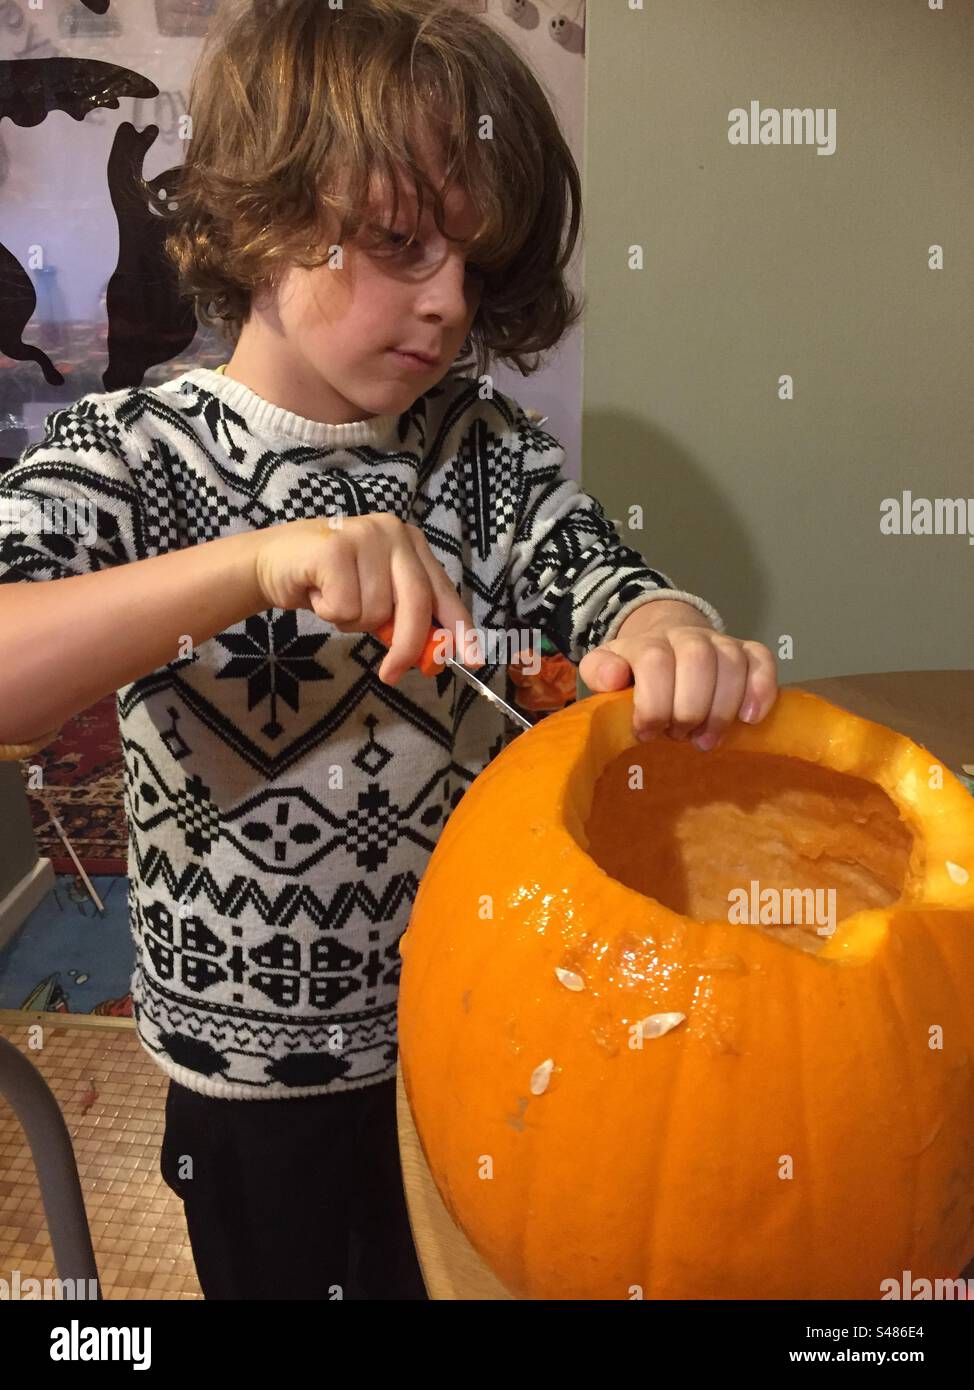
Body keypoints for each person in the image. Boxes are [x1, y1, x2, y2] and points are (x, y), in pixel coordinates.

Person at [0, 0, 777, 1299]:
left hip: (487, 1027)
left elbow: (608, 587)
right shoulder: (129, 455)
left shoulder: (488, 451)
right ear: (261, 210)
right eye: (401, 242)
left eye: (477, 266)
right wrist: (249, 564)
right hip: (254, 1079)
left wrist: (669, 630)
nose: (446, 308)